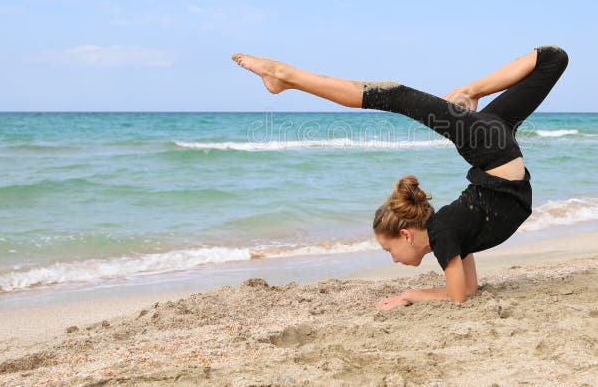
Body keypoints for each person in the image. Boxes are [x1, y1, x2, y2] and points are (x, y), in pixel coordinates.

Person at [231, 45, 568, 310]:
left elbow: (458, 297)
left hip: (492, 148)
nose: (392, 259)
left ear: (405, 235)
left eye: (387, 249)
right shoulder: (450, 234)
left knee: (396, 95)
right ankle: (470, 91)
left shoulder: (446, 234)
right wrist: (419, 293)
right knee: (553, 59)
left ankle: (284, 74)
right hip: (495, 145)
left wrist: (410, 294)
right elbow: (465, 291)